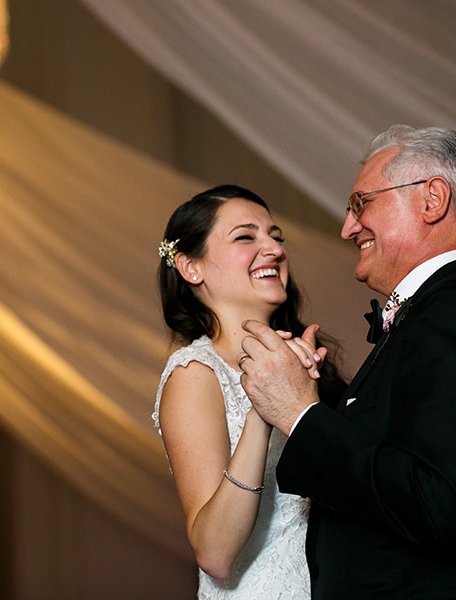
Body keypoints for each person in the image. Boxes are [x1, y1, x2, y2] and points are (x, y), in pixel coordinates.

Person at [237, 125, 456, 599]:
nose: (347, 227)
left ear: (432, 200)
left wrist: (298, 414)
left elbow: (437, 504)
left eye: (362, 203)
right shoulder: (445, 313)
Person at [152, 185, 346, 598]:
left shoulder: (304, 357)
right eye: (246, 236)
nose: (273, 249)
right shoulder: (194, 374)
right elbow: (215, 554)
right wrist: (264, 406)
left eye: (276, 237)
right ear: (190, 267)